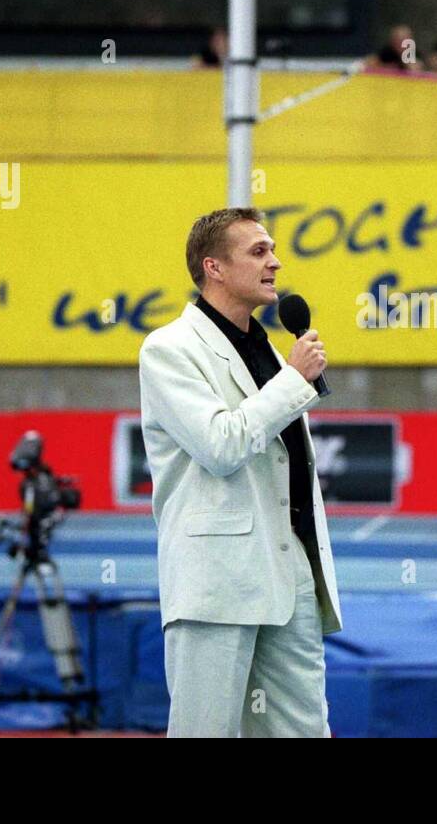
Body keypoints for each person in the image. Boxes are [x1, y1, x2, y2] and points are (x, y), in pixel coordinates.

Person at [139, 206, 342, 737]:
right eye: (259, 251)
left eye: (273, 250)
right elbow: (221, 445)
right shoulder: (168, 349)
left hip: (289, 568)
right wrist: (294, 381)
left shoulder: (271, 351)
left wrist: (289, 376)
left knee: (304, 730)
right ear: (214, 268)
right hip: (217, 577)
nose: (275, 262)